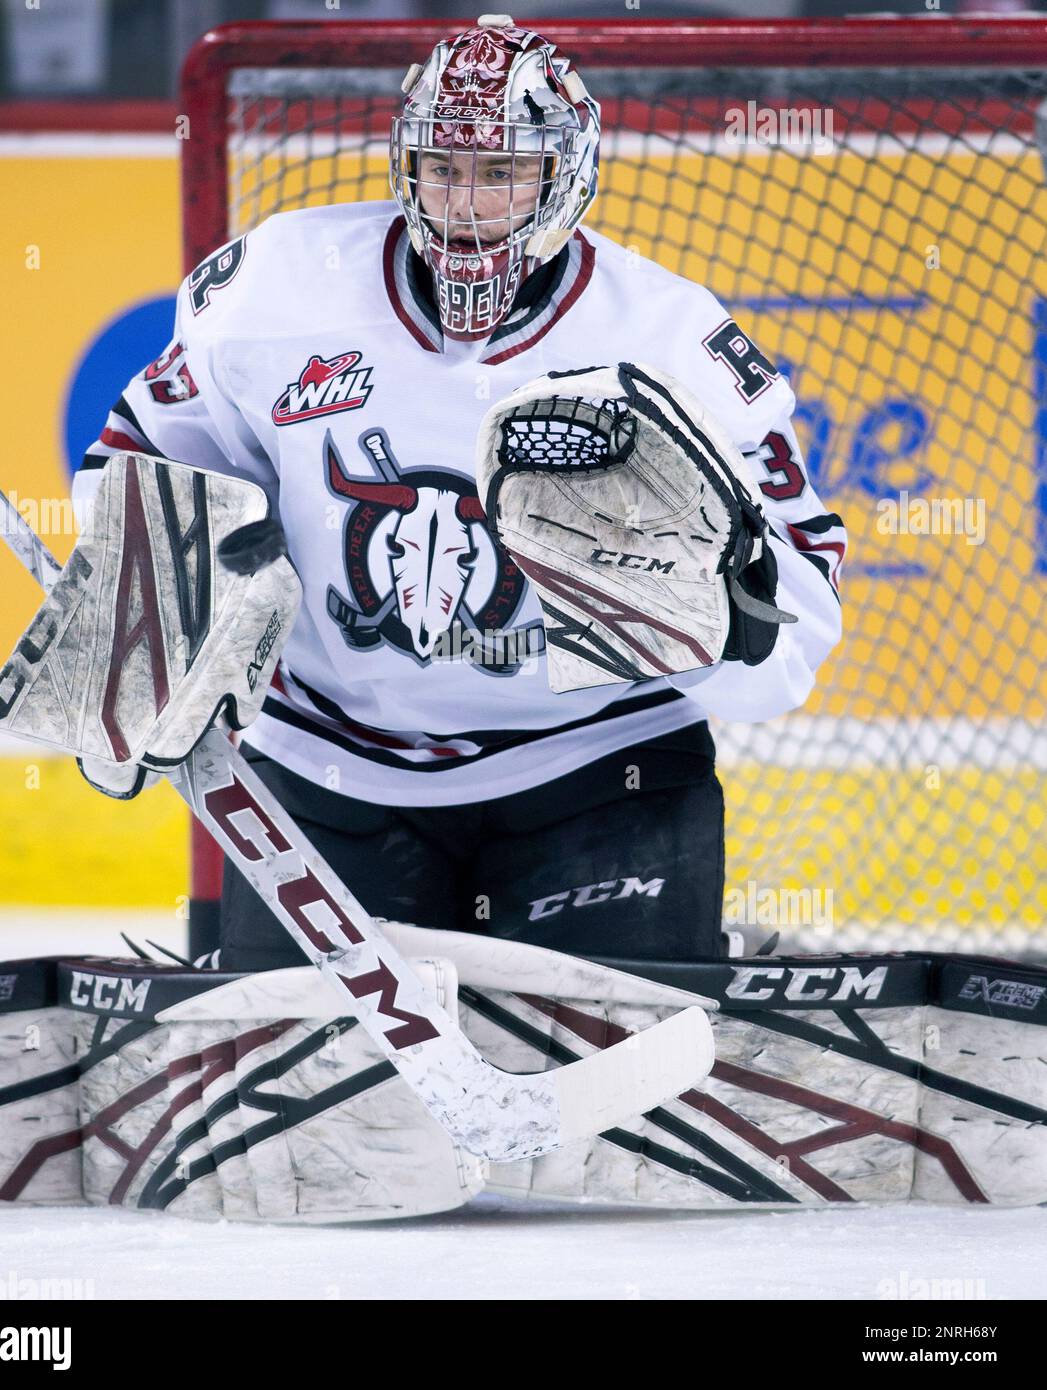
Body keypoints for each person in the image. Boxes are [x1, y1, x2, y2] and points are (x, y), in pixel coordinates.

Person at [75, 15, 845, 972]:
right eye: (441, 168)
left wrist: (737, 619)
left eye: (500, 173)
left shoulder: (671, 341)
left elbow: (800, 591)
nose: (465, 204)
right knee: (308, 1097)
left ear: (563, 175)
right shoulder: (278, 287)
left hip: (602, 768)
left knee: (610, 1075)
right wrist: (149, 628)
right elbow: (149, 453)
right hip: (325, 763)